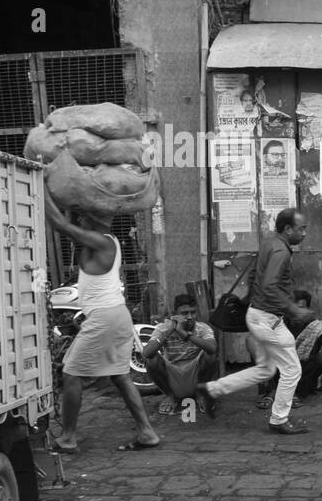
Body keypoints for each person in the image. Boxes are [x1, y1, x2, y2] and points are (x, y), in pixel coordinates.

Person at [43, 192, 161, 453]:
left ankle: (68, 438)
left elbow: (61, 226)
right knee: (119, 375)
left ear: (95, 218)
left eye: (83, 214)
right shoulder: (106, 241)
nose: (80, 217)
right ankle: (146, 432)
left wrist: (39, 187)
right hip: (115, 314)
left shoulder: (101, 241)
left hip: (105, 317)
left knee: (71, 373)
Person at [199, 208, 312, 433]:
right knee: (292, 370)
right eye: (302, 228)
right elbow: (269, 285)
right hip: (268, 319)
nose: (305, 233)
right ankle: (279, 419)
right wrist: (293, 309)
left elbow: (255, 278)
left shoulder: (270, 243)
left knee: (266, 370)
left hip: (259, 315)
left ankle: (212, 389)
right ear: (288, 229)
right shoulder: (281, 251)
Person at [253, 290, 322, 409]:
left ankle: (296, 392)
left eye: (301, 308)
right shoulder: (279, 323)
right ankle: (271, 391)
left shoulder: (317, 328)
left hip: (300, 368)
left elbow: (308, 357)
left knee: (321, 359)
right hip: (279, 366)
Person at [143, 293, 218, 415]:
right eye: (184, 313)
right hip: (173, 374)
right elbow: (147, 353)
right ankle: (171, 396)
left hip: (196, 374)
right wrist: (170, 330)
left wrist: (186, 334)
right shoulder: (163, 328)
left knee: (211, 355)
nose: (189, 317)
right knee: (151, 360)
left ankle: (201, 395)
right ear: (174, 313)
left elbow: (212, 348)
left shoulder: (202, 328)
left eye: (193, 312)